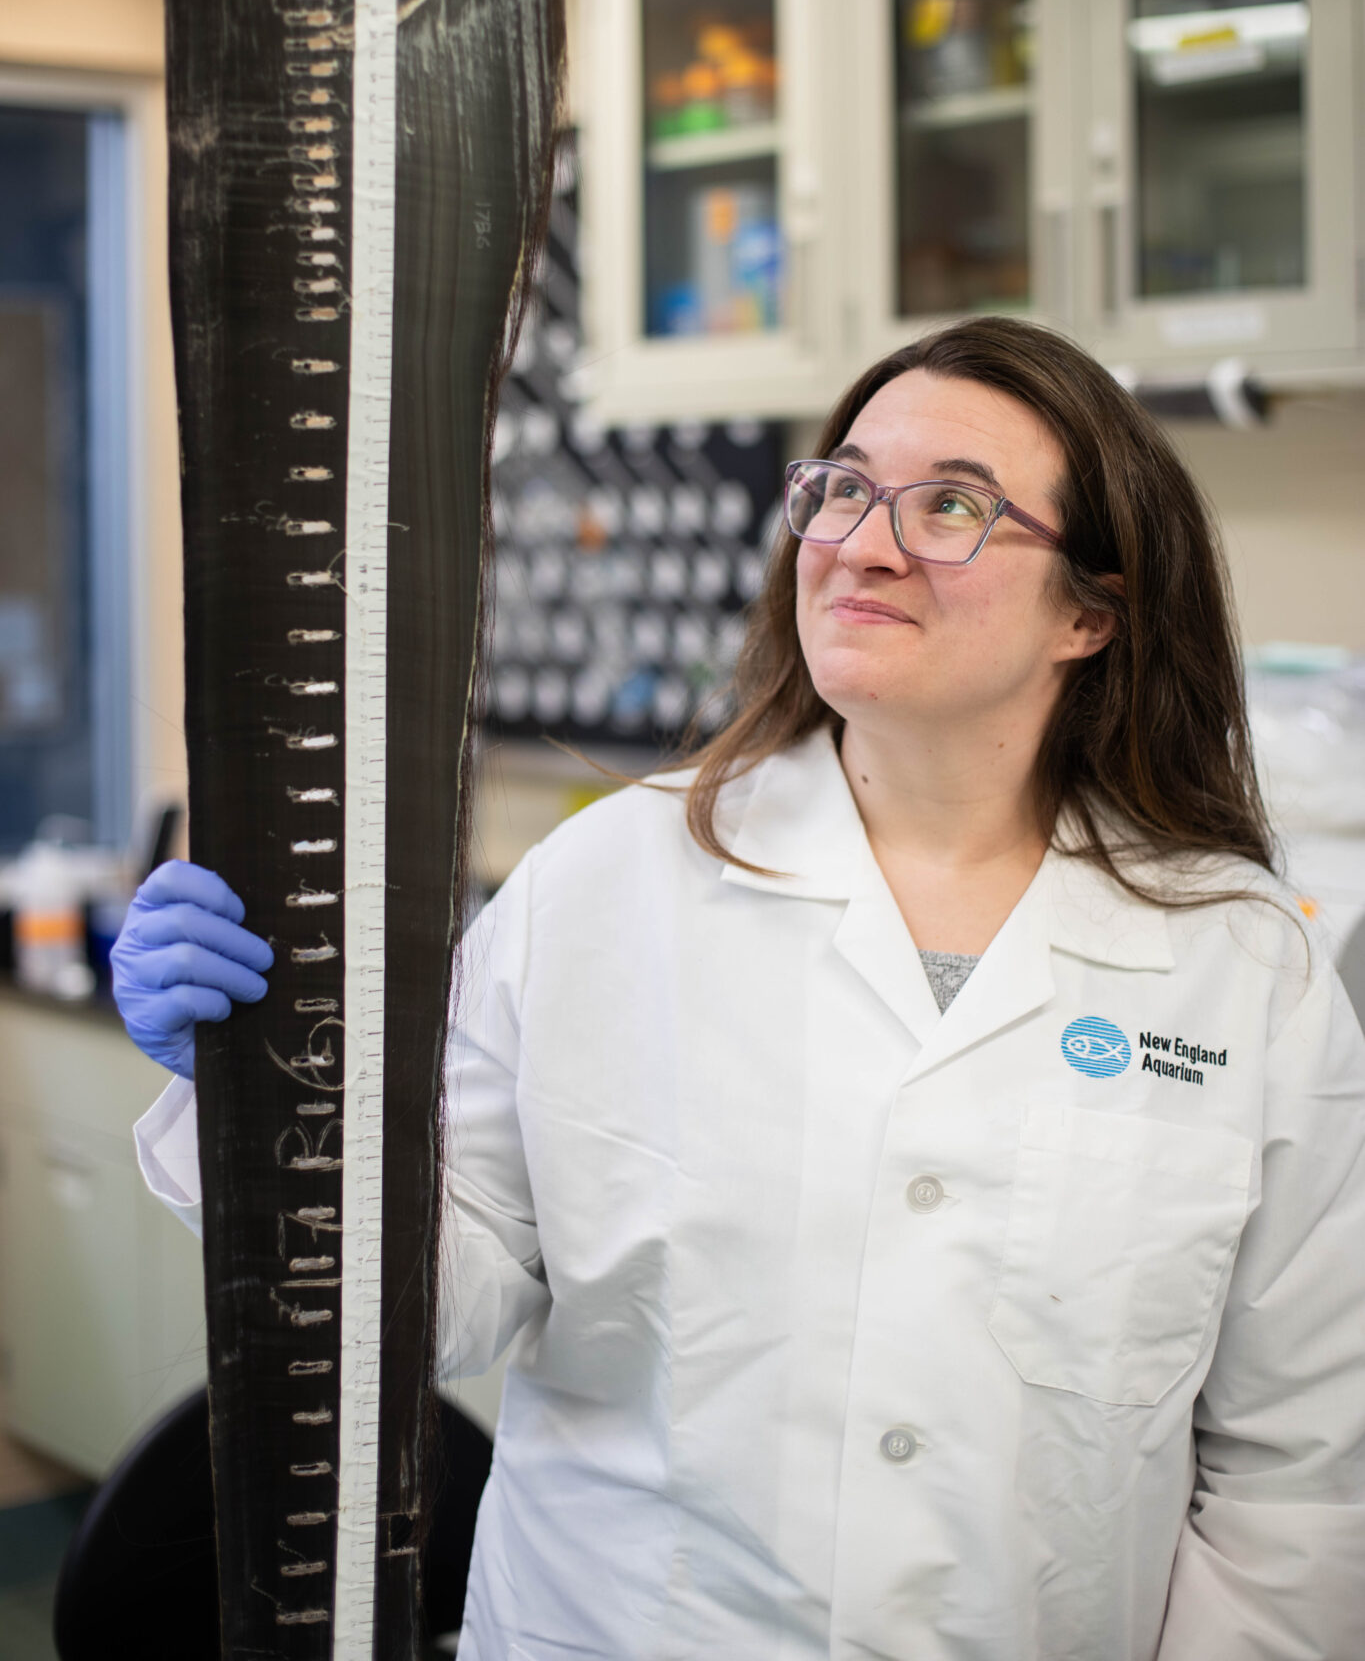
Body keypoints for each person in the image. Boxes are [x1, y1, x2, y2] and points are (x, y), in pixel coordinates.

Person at [116, 317, 1365, 1660]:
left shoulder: (1243, 967)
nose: (860, 541)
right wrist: (260, 1093)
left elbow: (1295, 1476)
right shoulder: (606, 876)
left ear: (1090, 613)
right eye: (839, 487)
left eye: (950, 505)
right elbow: (450, 1292)